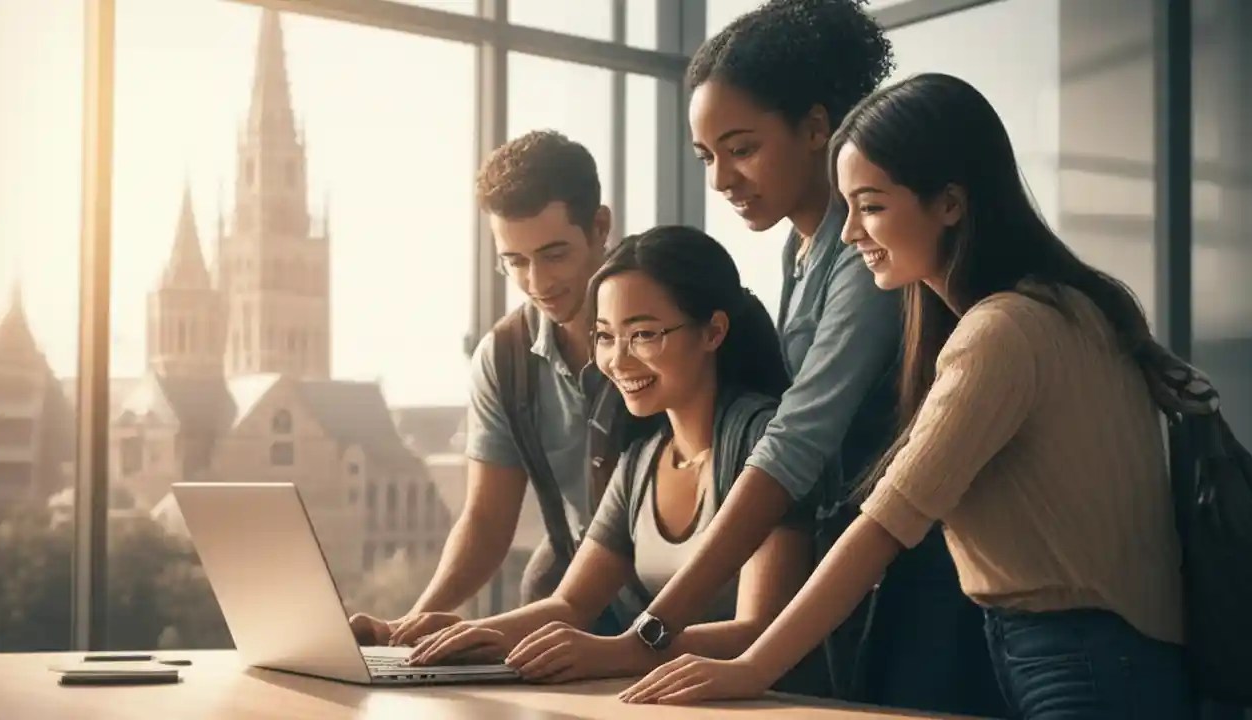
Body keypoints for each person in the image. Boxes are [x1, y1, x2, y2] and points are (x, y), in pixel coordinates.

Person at [621, 72, 1196, 719]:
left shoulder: (1002, 331)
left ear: (949, 203)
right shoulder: (1076, 306)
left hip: (1079, 662)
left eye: (869, 206)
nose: (848, 235)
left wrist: (752, 666)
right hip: (1104, 651)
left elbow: (885, 523)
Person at [622, 0, 1001, 712]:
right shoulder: (804, 253)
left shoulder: (870, 263)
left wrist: (649, 631)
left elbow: (797, 443)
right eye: (706, 157)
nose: (720, 180)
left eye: (741, 148)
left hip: (930, 573)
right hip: (864, 572)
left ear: (817, 129)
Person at [402, 226, 820, 688]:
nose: (618, 360)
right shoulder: (641, 460)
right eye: (604, 336)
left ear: (713, 331)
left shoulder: (762, 442)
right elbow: (570, 605)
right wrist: (459, 634)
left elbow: (757, 631)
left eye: (642, 334)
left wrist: (619, 651)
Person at [350, 130, 617, 646]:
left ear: (599, 227)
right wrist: (408, 627)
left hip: (683, 587)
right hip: (575, 592)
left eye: (554, 254)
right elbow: (487, 520)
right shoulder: (504, 357)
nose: (537, 281)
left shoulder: (667, 326)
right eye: (514, 260)